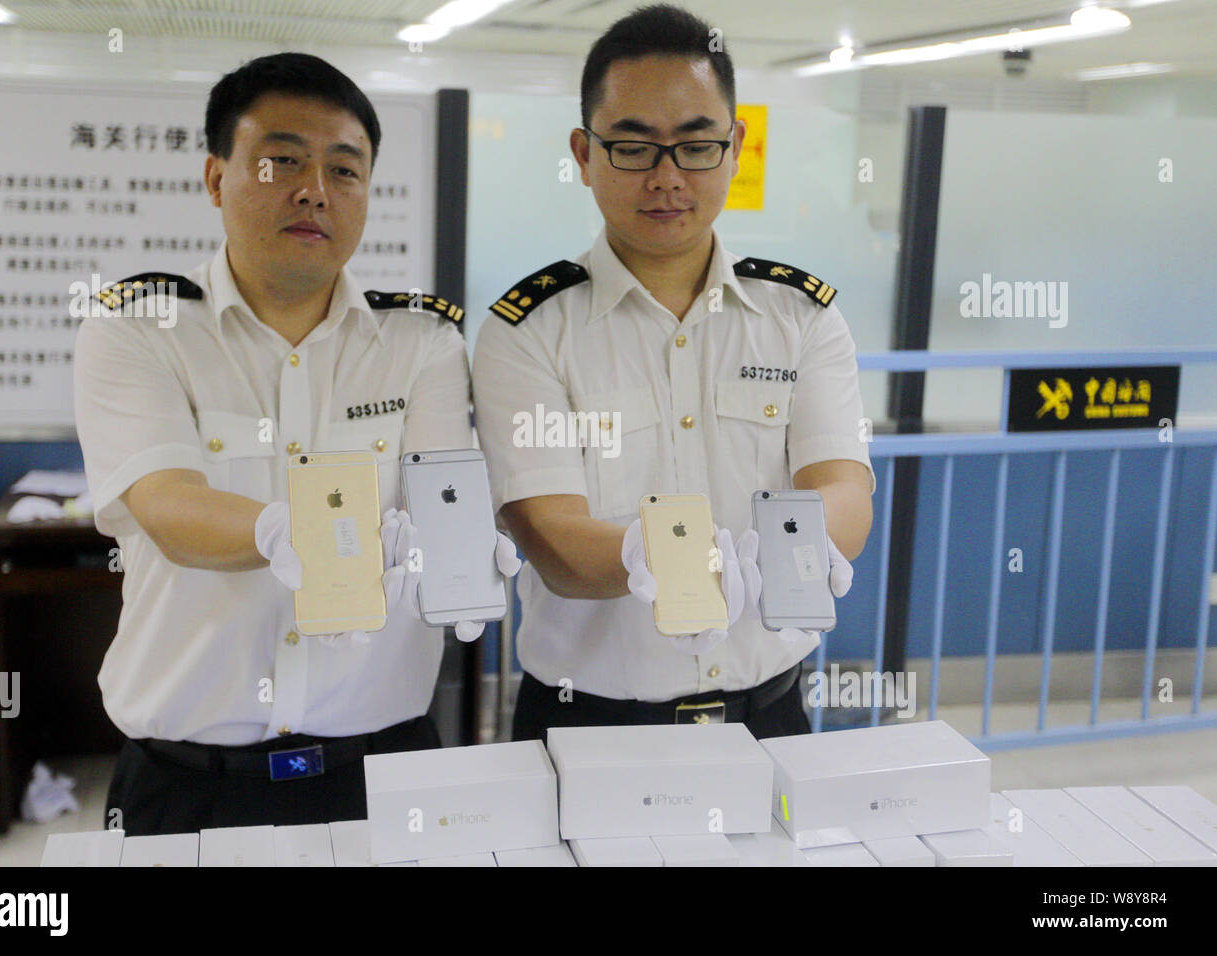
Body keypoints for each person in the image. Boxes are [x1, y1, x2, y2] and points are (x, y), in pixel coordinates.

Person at [74, 52, 511, 835]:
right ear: (216, 178)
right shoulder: (140, 329)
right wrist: (283, 532)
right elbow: (168, 505)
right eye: (280, 160)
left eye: (345, 170)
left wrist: (460, 560)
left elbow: (439, 500)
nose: (314, 188)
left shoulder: (421, 344)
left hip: (383, 773)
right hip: (185, 781)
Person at [472, 4, 875, 743]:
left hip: (771, 715)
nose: (666, 178)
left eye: (695, 146)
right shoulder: (527, 330)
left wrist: (806, 546)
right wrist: (672, 558)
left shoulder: (801, 316)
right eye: (632, 146)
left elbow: (843, 484)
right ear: (584, 153)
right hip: (588, 726)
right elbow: (551, 534)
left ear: (735, 147)